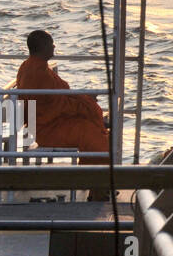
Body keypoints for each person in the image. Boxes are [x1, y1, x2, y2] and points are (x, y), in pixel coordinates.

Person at [15, 30, 110, 198]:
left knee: (97, 132)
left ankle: (97, 185)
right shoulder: (37, 72)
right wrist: (85, 104)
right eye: (51, 43)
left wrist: (85, 100)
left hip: (52, 122)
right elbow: (57, 105)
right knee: (95, 138)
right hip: (47, 129)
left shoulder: (34, 66)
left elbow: (57, 99)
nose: (54, 46)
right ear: (42, 47)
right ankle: (97, 191)